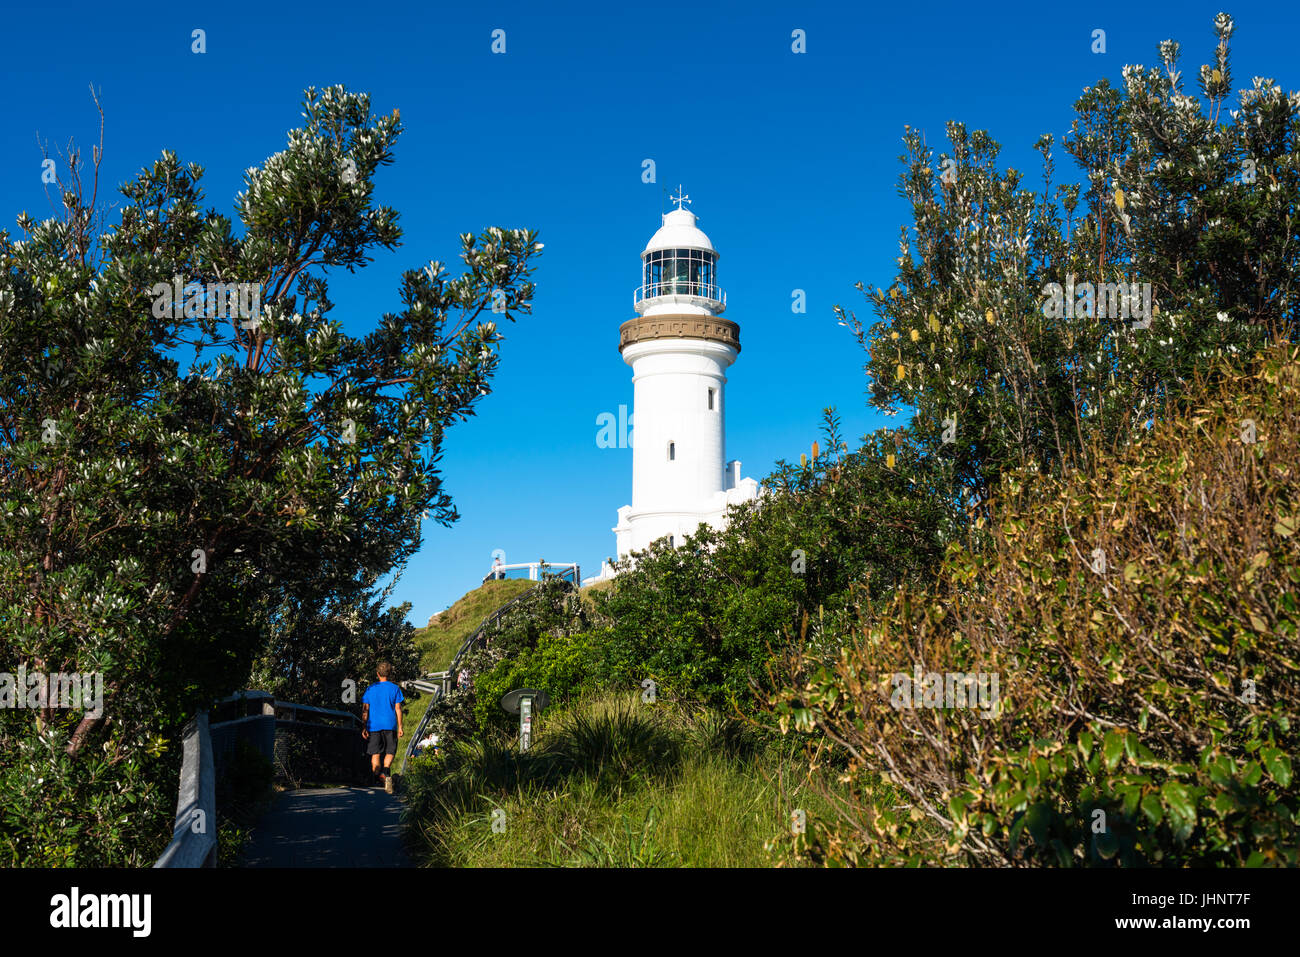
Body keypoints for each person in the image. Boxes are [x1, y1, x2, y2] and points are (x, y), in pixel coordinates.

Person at [361, 662, 404, 793]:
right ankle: (385, 773)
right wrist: (400, 726)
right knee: (390, 750)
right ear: (389, 674)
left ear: (377, 674)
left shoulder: (370, 689)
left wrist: (364, 726)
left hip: (373, 725)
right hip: (390, 725)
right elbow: (398, 709)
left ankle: (378, 776)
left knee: (375, 753)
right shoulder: (395, 688)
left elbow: (365, 710)